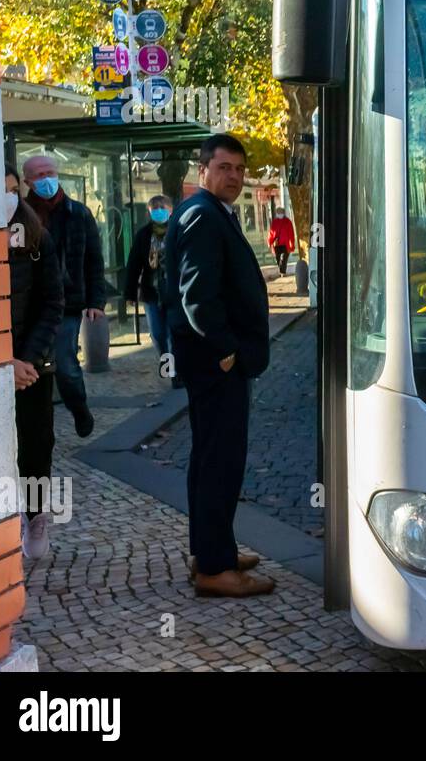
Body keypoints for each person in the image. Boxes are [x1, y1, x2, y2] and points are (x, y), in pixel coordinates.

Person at [162, 134, 274, 598]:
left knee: (210, 459)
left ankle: (213, 550)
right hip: (216, 365)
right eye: (224, 167)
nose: (233, 176)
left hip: (213, 364)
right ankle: (214, 569)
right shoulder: (202, 217)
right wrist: (227, 351)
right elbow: (197, 295)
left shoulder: (208, 213)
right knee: (219, 463)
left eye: (239, 169)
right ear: (203, 168)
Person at [21, 155, 105, 438]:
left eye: (50, 172)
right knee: (35, 365)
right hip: (32, 302)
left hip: (68, 302)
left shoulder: (78, 213)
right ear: (28, 181)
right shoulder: (22, 215)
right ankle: (39, 428)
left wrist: (96, 301)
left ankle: (79, 408)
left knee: (65, 365)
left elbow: (94, 259)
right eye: (39, 175)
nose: (46, 179)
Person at [5, 164, 65, 559]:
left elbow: (52, 302)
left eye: (12, 190)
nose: (6, 198)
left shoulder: (37, 238)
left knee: (36, 444)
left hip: (32, 368)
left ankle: (36, 514)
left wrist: (25, 360)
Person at [124, 195, 177, 381]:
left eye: (162, 208)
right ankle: (166, 361)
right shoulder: (144, 235)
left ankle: (172, 372)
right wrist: (130, 292)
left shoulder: (178, 230)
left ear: (170, 210)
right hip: (151, 292)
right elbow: (134, 264)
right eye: (155, 209)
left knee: (172, 333)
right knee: (157, 333)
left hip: (174, 291)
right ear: (149, 212)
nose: (159, 211)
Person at [267, 206, 296, 275]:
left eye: (281, 212)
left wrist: (292, 244)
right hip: (277, 244)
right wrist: (269, 242)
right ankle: (281, 272)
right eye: (278, 212)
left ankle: (282, 272)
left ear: (283, 213)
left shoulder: (288, 222)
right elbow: (271, 233)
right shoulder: (275, 222)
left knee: (283, 259)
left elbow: (291, 234)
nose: (279, 214)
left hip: (286, 245)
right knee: (278, 259)